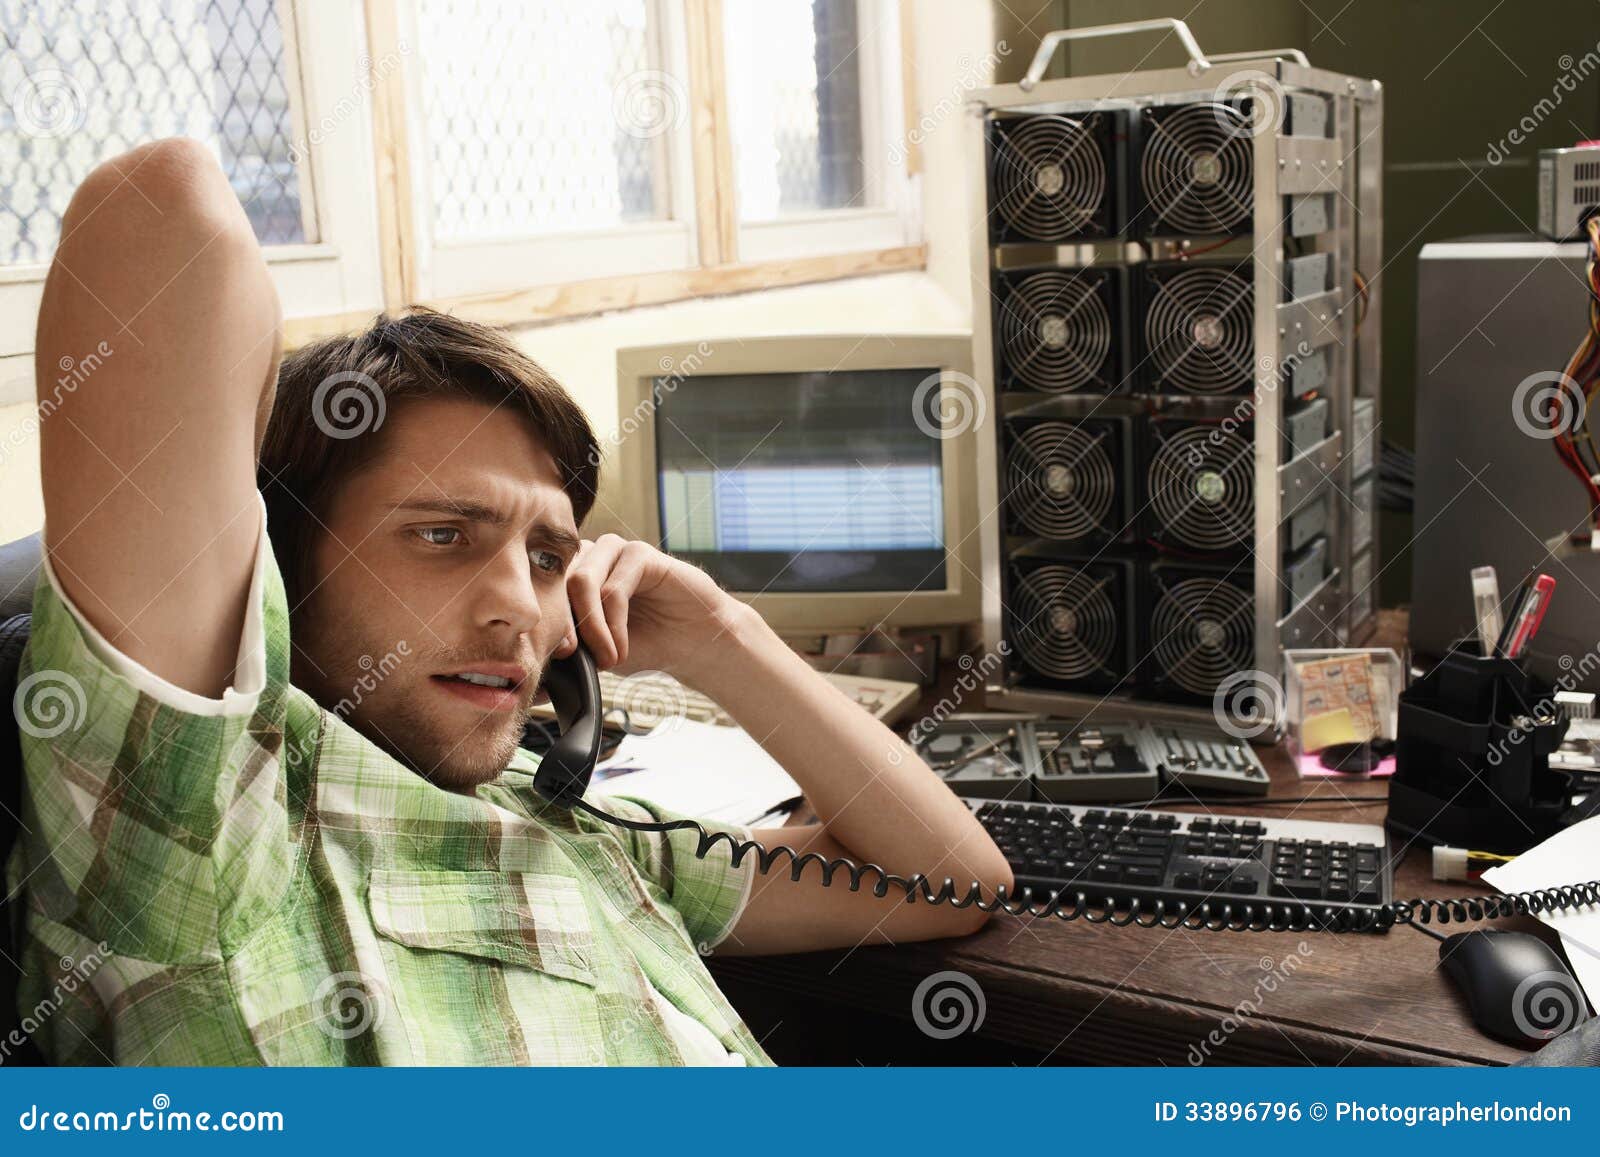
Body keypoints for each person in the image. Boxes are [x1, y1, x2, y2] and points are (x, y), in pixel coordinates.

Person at [8, 138, 1013, 1065]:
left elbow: (954, 884)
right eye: (441, 535)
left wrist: (722, 636)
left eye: (546, 556)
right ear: (280, 562)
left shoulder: (575, 825)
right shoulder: (201, 823)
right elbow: (161, 212)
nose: (517, 610)